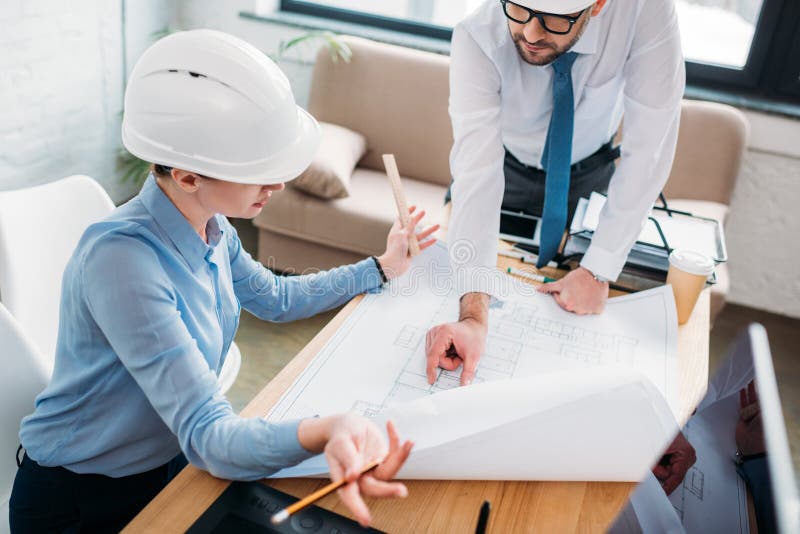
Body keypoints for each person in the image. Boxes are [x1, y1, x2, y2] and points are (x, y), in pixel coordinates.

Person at [10, 30, 438, 532]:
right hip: (81, 497)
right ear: (188, 176)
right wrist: (328, 429)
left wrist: (381, 268)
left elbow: (277, 297)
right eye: (260, 170)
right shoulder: (122, 261)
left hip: (162, 462)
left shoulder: (212, 229)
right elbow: (210, 437)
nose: (278, 184)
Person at [428, 0, 685, 385]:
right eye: (519, 10)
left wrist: (598, 269)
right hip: (505, 166)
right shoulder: (476, 34)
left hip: (589, 172)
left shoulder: (645, 10)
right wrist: (473, 315)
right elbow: (476, 171)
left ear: (597, 6)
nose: (531, 35)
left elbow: (650, 144)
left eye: (555, 20)